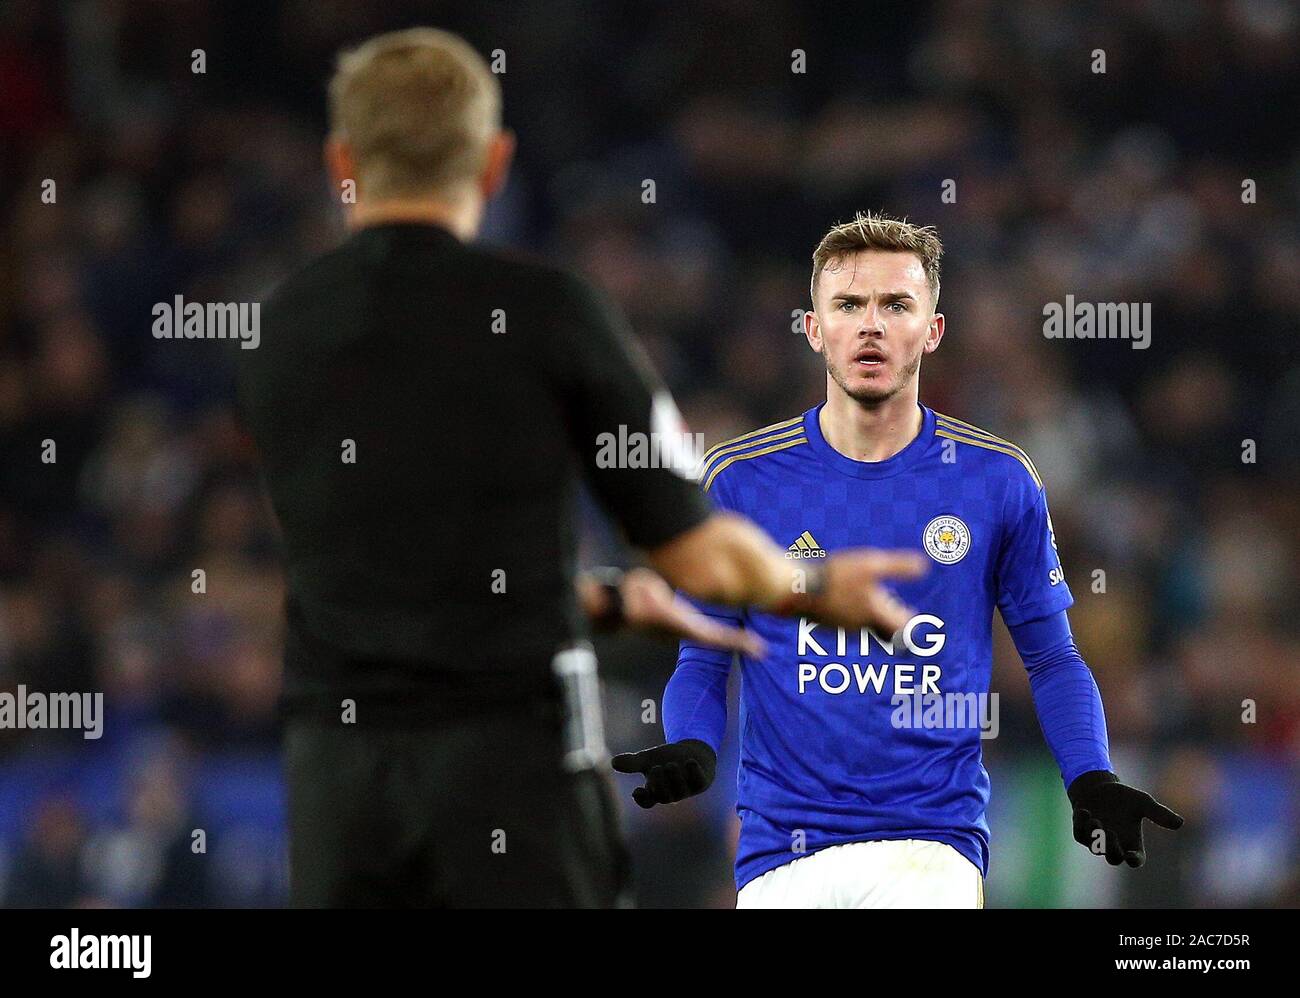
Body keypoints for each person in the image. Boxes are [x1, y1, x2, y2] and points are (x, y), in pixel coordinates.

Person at [236, 30, 923, 908]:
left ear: (343, 161)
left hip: (339, 786)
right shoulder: (548, 313)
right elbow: (698, 554)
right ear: (493, 164)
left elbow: (384, 562)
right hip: (512, 770)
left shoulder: (277, 334)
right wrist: (819, 589)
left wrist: (599, 599)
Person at [613, 211, 1183, 908]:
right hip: (778, 854)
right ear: (815, 329)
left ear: (932, 331)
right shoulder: (739, 481)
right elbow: (702, 658)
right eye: (849, 304)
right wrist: (695, 747)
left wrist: (1091, 777)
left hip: (930, 848)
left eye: (897, 305)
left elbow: (1052, 658)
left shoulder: (996, 480)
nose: (872, 325)